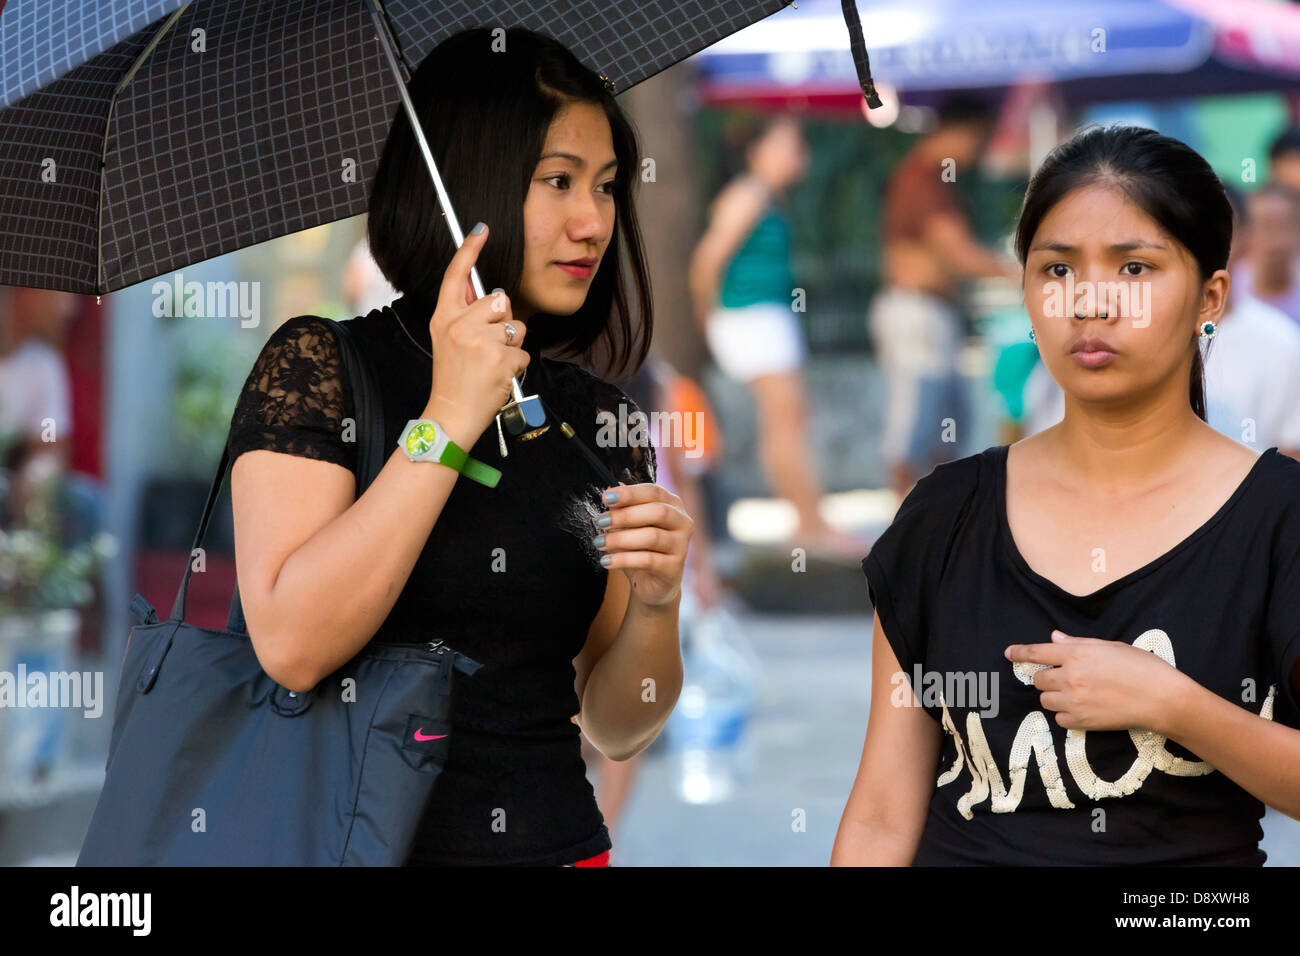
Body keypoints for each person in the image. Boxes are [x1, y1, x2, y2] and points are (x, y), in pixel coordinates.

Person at [226, 27, 693, 867]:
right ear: (469, 181)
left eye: (607, 187)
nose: (593, 221)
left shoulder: (594, 417)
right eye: (558, 181)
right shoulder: (322, 369)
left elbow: (620, 724)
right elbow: (293, 644)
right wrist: (445, 419)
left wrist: (660, 606)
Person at [833, 125, 1300, 866]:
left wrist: (1170, 703)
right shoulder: (942, 516)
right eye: (1056, 270)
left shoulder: (1280, 518)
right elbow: (883, 816)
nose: (1090, 301)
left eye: (1136, 267)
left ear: (1211, 296)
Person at [689, 114, 865, 560]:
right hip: (753, 321)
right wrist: (710, 321)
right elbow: (707, 262)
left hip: (763, 321)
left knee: (787, 423)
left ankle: (809, 523)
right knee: (786, 425)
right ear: (757, 152)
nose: (797, 156)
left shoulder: (766, 197)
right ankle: (811, 528)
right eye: (787, 145)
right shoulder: (747, 194)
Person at [869, 94, 1019, 500]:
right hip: (916, 313)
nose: (981, 149)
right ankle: (903, 522)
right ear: (961, 131)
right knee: (916, 424)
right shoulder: (922, 179)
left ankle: (934, 524)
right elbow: (957, 252)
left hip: (933, 314)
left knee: (947, 424)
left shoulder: (934, 178)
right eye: (980, 138)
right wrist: (1024, 275)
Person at [0, 287, 76, 527]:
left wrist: (39, 471)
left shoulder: (43, 366)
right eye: (60, 293)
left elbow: (50, 443)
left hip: (10, 489)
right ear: (22, 292)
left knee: (85, 503)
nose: (68, 309)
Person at [1231, 182, 1300, 325]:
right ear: (1246, 232)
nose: (1277, 241)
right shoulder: (1230, 289)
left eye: (1285, 226)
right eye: (1265, 226)